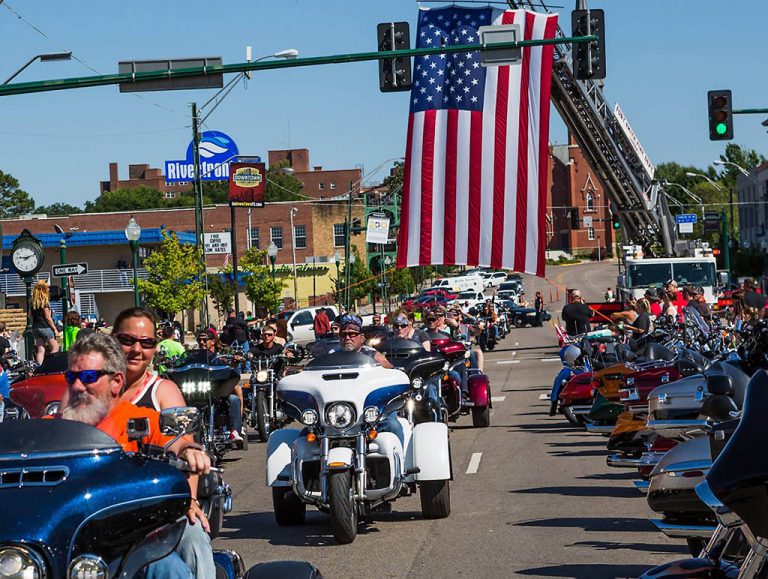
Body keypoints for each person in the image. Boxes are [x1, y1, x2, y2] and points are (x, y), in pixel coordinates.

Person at [57, 331, 213, 578]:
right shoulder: (58, 424)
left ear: (116, 382)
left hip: (131, 534)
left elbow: (174, 441)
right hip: (68, 533)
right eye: (72, 377)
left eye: (88, 377)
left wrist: (189, 451)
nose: (77, 386)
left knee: (168, 567)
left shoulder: (136, 419)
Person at [187, 328, 245, 443]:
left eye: (205, 340)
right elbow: (185, 364)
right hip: (199, 389)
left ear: (213, 341)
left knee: (234, 399)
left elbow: (232, 365)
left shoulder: (222, 354)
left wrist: (236, 359)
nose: (202, 343)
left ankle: (235, 430)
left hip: (220, 389)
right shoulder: (195, 356)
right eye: (200, 340)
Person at [30, 279, 60, 364]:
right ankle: (49, 364)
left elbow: (30, 315)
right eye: (47, 287)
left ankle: (40, 367)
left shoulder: (32, 302)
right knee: (55, 348)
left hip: (35, 327)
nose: (49, 289)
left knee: (40, 350)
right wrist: (55, 329)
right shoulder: (44, 302)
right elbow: (47, 317)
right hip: (45, 327)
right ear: (43, 289)